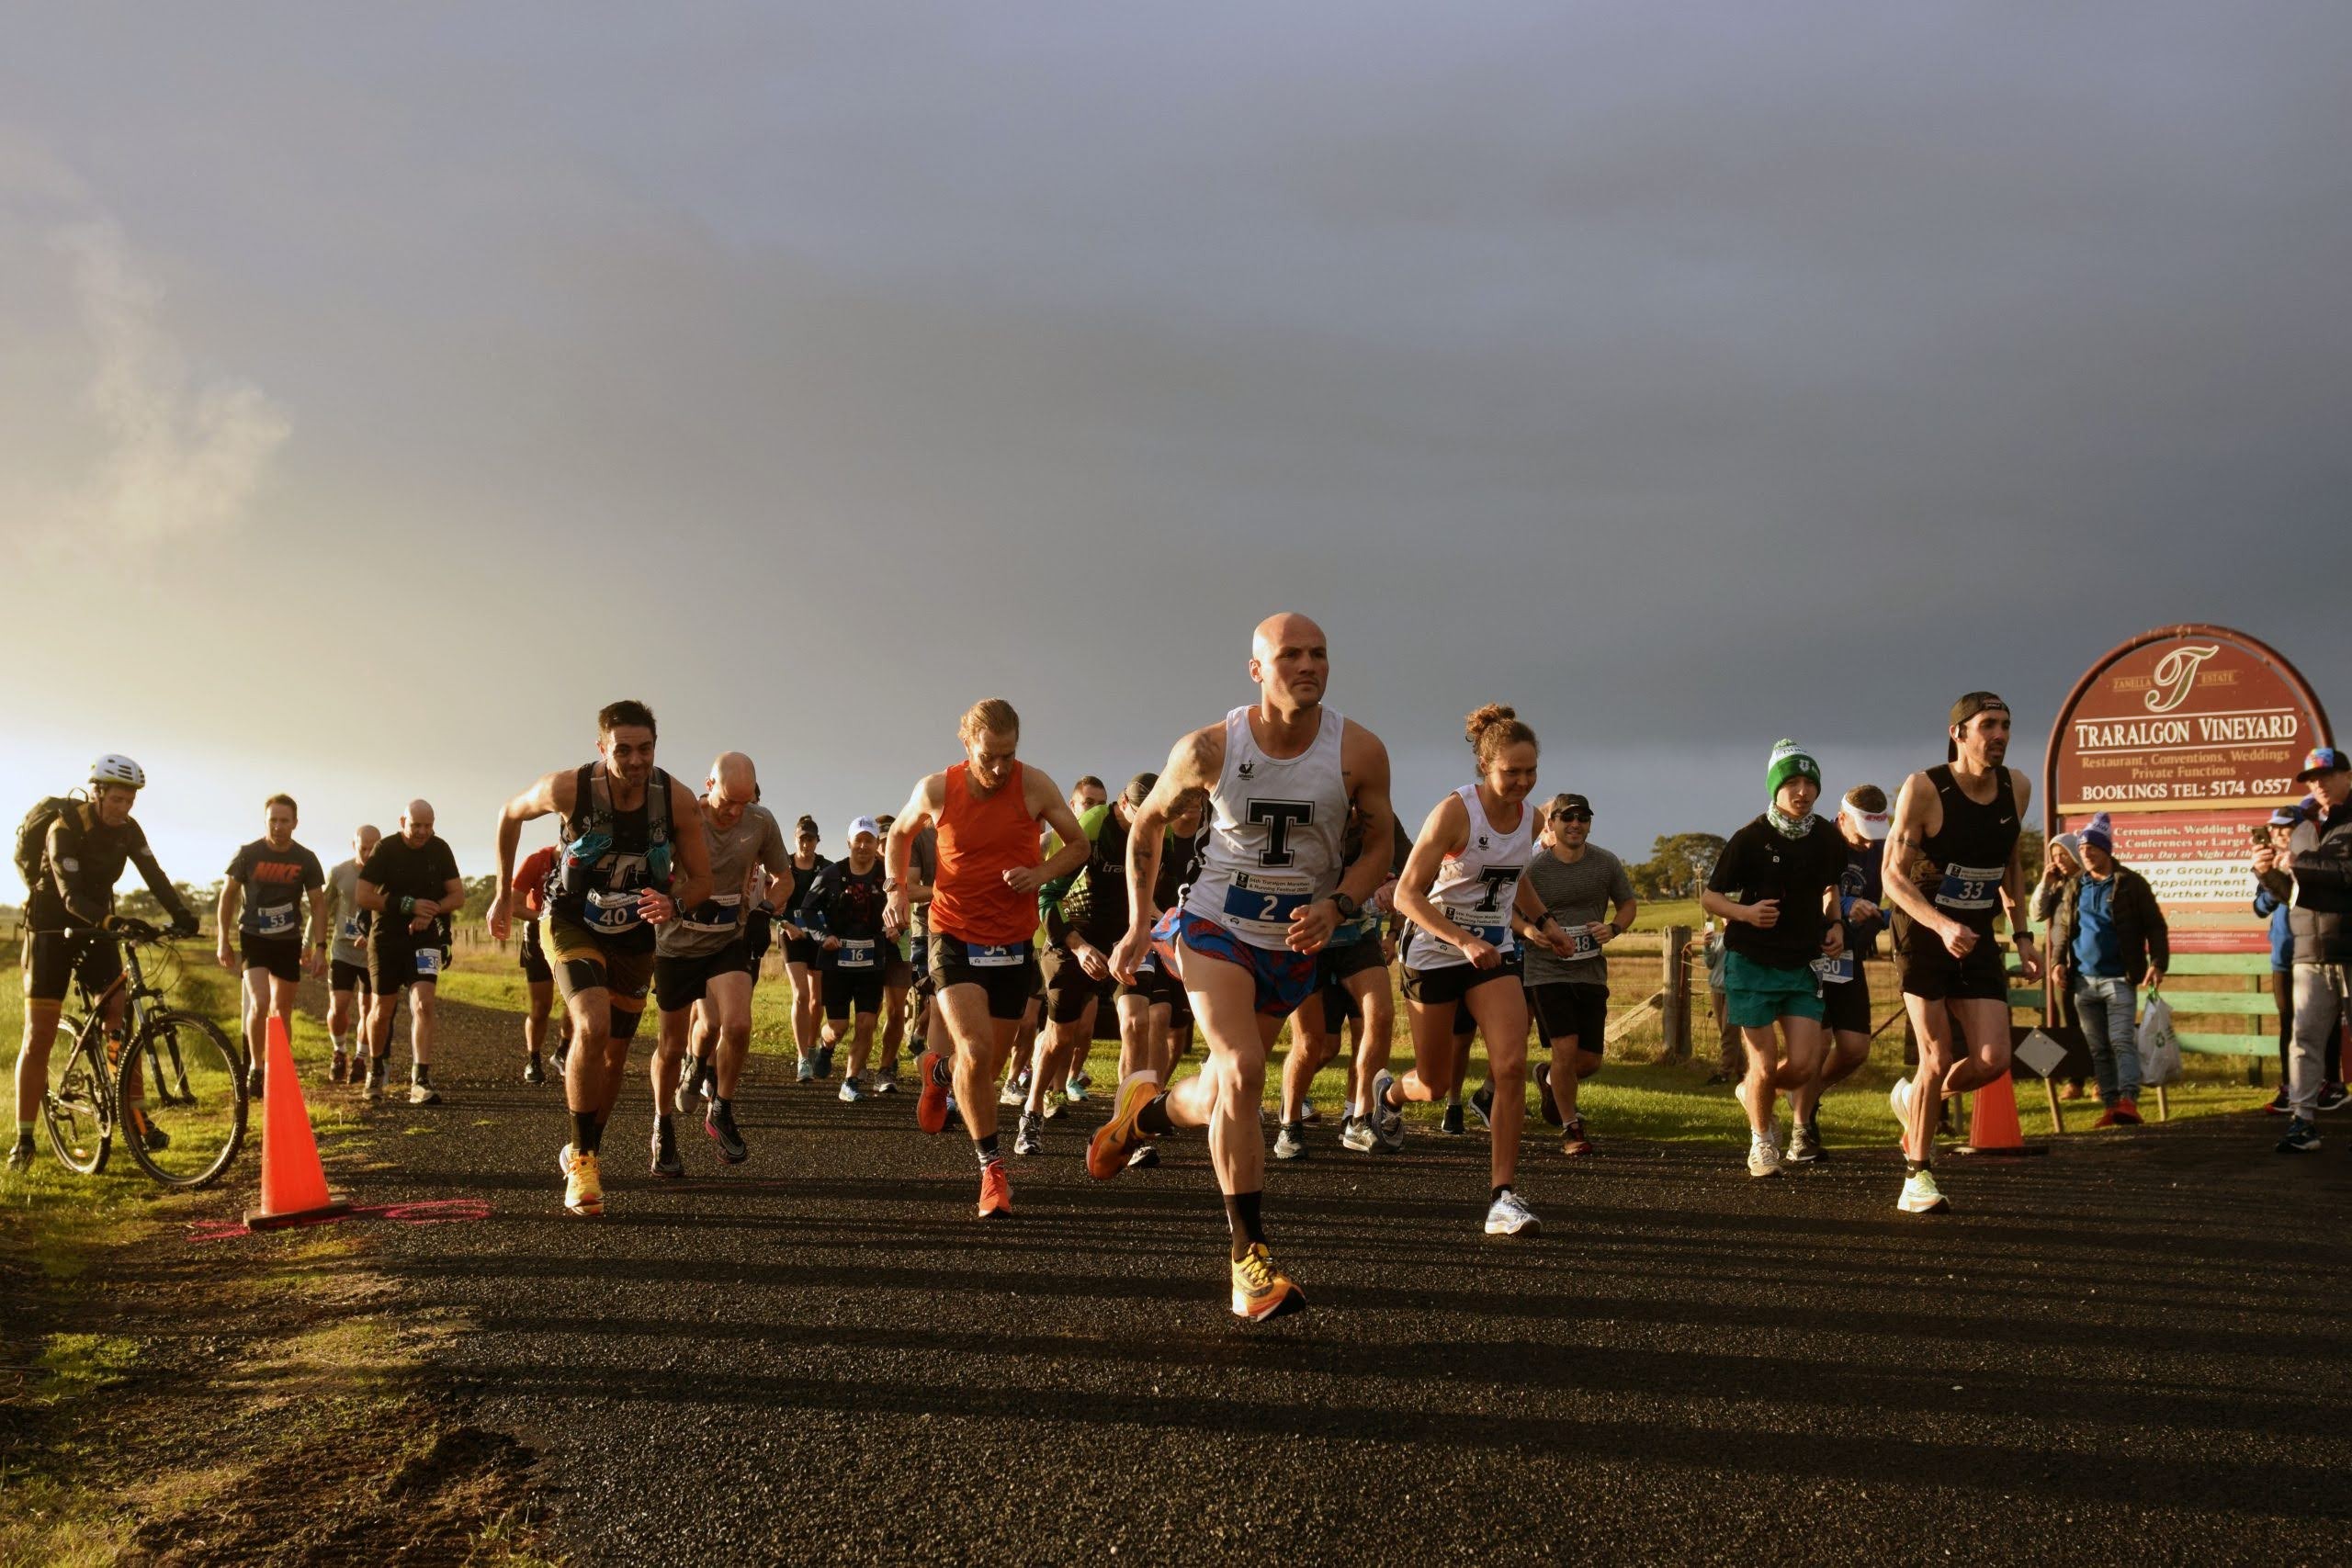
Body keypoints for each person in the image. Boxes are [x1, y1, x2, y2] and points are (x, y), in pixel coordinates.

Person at [1091, 614, 1396, 1322]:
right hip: (1214, 929)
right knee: (1244, 1068)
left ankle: (1148, 1112)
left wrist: (1341, 902)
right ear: (1256, 670)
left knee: (1225, 1083)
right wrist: (1140, 923)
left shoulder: (1359, 751)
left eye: (1319, 652)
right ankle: (1248, 1257)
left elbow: (1380, 841)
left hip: (1295, 941)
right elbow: (1146, 824)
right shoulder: (1209, 747)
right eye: (1289, 654)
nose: (1307, 664)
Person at [486, 699, 712, 1218]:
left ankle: (585, 1145)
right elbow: (508, 814)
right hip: (569, 919)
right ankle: (585, 1162)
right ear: (601, 747)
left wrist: (673, 902)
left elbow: (702, 880)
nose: (636, 760)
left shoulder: (676, 801)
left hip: (634, 935)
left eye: (646, 749)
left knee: (614, 1055)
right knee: (591, 1023)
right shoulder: (568, 788)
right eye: (624, 750)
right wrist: (501, 892)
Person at [883, 699, 1090, 1220]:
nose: (1000, 768)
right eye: (989, 756)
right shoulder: (936, 789)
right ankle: (991, 1171)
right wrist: (896, 891)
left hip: (1013, 942)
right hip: (952, 934)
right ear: (966, 743)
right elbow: (899, 834)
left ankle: (937, 1073)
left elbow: (1079, 846)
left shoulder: (1035, 785)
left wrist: (1040, 876)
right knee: (975, 1051)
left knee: (986, 1068)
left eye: (1008, 756)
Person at [1381, 705, 1557, 1234]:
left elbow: (1514, 877)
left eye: (1530, 772)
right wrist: (1461, 940)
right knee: (1433, 1083)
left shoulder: (1532, 817)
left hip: (1494, 953)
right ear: (1485, 765)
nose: (1522, 783)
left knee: (1509, 1065)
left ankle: (1503, 1197)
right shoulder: (1455, 813)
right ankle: (1388, 1095)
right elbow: (1408, 897)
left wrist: (1544, 922)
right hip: (1434, 951)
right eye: (1511, 773)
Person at [1883, 694, 2042, 1214]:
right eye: (1988, 725)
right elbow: (1892, 877)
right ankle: (1917, 1176)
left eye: (2006, 726)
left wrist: (2022, 935)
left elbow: (2010, 864)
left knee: (1993, 1060)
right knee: (1937, 1056)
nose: (1999, 735)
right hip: (1923, 930)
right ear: (1959, 733)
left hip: (1974, 933)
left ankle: (1913, 1102)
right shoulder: (1924, 789)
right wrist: (1941, 923)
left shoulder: (2017, 787)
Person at [11, 756, 198, 1171]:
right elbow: (69, 896)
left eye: (130, 800)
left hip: (97, 926)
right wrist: (114, 920)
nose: (123, 808)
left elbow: (154, 873)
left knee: (118, 1014)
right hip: (50, 928)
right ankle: (23, 1138)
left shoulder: (128, 830)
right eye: (116, 799)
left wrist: (181, 913)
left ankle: (135, 1116)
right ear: (96, 793)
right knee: (39, 1034)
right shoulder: (65, 827)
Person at [1700, 743, 1848, 1179]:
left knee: (1804, 1065)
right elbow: (1710, 897)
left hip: (1801, 963)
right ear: (1776, 788)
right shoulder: (1751, 837)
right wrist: (1745, 914)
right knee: (1764, 1062)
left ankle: (1753, 1093)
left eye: (1809, 784)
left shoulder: (1826, 837)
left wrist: (1836, 926)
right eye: (1792, 784)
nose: (1802, 792)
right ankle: (1761, 1142)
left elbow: (1830, 889)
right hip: (1750, 961)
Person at [648, 754, 792, 1174]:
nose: (733, 812)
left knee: (739, 1024)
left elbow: (785, 879)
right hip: (676, 943)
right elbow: (653, 874)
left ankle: (722, 1107)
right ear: (709, 783)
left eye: (742, 804)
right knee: (672, 1046)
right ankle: (662, 1125)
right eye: (727, 801)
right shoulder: (681, 818)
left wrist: (764, 911)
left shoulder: (760, 822)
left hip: (727, 941)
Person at [1025, 774, 1159, 1156]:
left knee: (1136, 1022)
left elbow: (1150, 892)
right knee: (1059, 1036)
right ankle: (1033, 1109)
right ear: (1122, 803)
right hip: (1075, 929)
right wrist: (1079, 947)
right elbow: (1047, 897)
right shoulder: (1093, 826)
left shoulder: (1157, 830)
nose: (1147, 819)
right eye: (1139, 811)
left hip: (1125, 934)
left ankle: (1126, 1125)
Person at [1511, 792, 1636, 1159]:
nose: (1576, 824)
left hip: (1590, 970)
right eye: (1567, 818)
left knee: (1588, 1061)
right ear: (1551, 825)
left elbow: (1628, 904)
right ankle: (1572, 1128)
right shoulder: (1534, 869)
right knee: (1564, 1049)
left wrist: (1613, 928)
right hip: (1545, 971)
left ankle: (1548, 1078)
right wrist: (1530, 932)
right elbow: (1512, 912)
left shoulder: (1605, 863)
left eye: (1582, 818)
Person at [1278, 804, 1406, 1158]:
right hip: (1306, 934)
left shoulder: (1380, 814)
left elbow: (1413, 866)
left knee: (1379, 1016)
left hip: (1356, 934)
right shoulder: (1307, 809)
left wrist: (1394, 882)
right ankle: (1289, 1123)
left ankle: (1360, 1118)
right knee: (1311, 1041)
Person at [1784, 784, 1891, 1162]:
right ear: (1843, 819)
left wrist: (1885, 916)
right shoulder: (1818, 840)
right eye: (1862, 833)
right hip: (1810, 955)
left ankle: (1805, 1094)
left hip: (1850, 956)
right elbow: (1800, 891)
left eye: (1876, 835)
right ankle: (1801, 1129)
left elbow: (1893, 888)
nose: (1868, 844)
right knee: (1817, 1047)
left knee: (1855, 1050)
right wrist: (1847, 904)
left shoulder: (1879, 847)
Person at [2045, 813, 2170, 1128]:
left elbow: (2155, 926)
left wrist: (2157, 963)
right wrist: (2058, 962)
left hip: (2119, 978)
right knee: (2098, 1047)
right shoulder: (2075, 885)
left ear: (2107, 849)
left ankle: (2129, 1100)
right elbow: (2063, 929)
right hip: (2083, 982)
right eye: (2083, 848)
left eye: (2093, 848)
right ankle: (2112, 1106)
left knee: (2120, 1040)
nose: (2086, 853)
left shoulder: (2130, 884)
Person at [2256, 748, 2352, 1154]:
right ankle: (2302, 1123)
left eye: (2327, 775)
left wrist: (2299, 862)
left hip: (2350, 949)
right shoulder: (2306, 827)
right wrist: (2268, 874)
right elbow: (2295, 896)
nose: (2319, 785)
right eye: (2312, 780)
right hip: (2309, 953)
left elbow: (2347, 874)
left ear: (2347, 775)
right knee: (2304, 1040)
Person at [217, 795, 329, 1096]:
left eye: (284, 820)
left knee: (282, 1009)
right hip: (254, 936)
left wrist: (321, 947)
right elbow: (227, 895)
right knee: (261, 1001)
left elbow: (318, 903)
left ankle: (280, 1068)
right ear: (265, 821)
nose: (278, 826)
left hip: (288, 939)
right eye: (273, 820)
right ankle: (256, 1066)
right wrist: (222, 940)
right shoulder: (247, 854)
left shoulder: (305, 859)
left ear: (295, 823)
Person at [356, 801, 464, 1106]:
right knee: (382, 1010)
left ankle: (420, 1080)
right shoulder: (385, 849)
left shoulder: (440, 849)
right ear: (403, 820)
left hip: (424, 937)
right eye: (416, 825)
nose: (422, 832)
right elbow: (363, 896)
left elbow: (457, 896)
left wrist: (431, 910)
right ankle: (376, 1070)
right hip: (386, 937)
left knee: (424, 1004)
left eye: (428, 826)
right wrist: (407, 905)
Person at [2254, 806, 2343, 1114]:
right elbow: (2261, 905)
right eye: (2273, 828)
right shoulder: (2274, 860)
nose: (2278, 833)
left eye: (2285, 827)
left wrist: (2297, 866)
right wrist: (2269, 875)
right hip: (2286, 955)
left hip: (2323, 951)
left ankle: (2330, 1083)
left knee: (2325, 1024)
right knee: (2290, 1023)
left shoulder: (2315, 856)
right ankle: (2293, 1091)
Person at [801, 817, 893, 1102]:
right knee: (838, 1027)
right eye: (859, 840)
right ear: (849, 842)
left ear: (877, 844)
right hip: (836, 961)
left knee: (866, 1023)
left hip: (872, 960)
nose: (864, 846)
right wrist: (822, 935)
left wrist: (895, 926)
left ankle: (850, 1081)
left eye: (870, 840)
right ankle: (825, 1047)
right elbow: (807, 909)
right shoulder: (831, 873)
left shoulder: (887, 875)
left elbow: (900, 905)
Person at [322, 825, 381, 1085]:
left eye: (373, 848)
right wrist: (313, 945)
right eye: (363, 847)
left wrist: (372, 935)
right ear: (353, 844)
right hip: (343, 950)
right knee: (339, 1007)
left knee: (368, 1010)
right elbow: (322, 909)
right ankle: (339, 1051)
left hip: (372, 952)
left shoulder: (387, 876)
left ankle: (360, 1058)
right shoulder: (339, 873)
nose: (368, 853)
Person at [2034, 832, 2089, 1100]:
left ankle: (2091, 1078)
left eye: (2063, 855)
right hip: (2057, 962)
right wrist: (2045, 882)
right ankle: (2062, 1077)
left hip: (2083, 960)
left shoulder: (2088, 883)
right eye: (2054, 857)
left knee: (2087, 1022)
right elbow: (2036, 913)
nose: (2059, 861)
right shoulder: (2056, 885)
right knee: (2059, 1021)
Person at [511, 842, 571, 1084]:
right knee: (541, 1007)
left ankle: (563, 1051)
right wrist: (545, 917)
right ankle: (533, 1059)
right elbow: (514, 906)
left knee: (579, 1000)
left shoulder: (590, 859)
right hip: (536, 936)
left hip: (571, 936)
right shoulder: (536, 860)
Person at [777, 817, 830, 1082]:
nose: (806, 843)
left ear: (817, 841)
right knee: (800, 994)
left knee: (816, 999)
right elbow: (771, 902)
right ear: (795, 839)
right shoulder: (783, 866)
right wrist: (786, 924)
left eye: (810, 839)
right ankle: (802, 1059)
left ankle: (811, 1048)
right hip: (792, 934)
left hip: (817, 937)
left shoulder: (827, 868)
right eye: (802, 839)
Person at [870, 811, 910, 1091]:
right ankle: (858, 1065)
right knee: (869, 1012)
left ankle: (886, 1068)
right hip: (872, 948)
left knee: (897, 1012)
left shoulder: (906, 869)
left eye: (889, 842)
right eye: (881, 842)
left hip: (901, 948)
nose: (885, 848)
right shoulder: (864, 869)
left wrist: (902, 927)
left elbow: (918, 904)